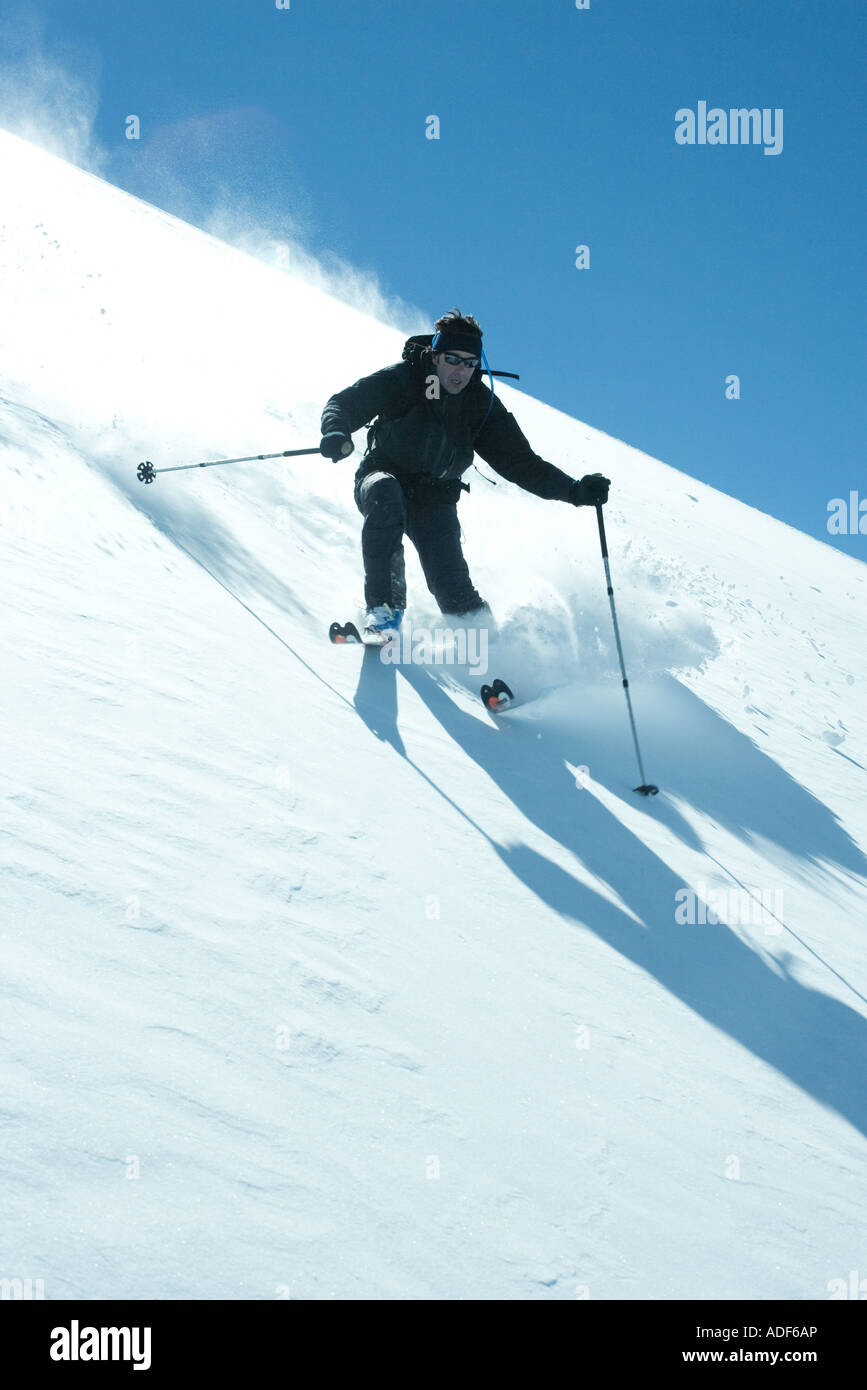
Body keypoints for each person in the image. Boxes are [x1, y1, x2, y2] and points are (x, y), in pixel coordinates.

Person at [320, 308, 610, 636]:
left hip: (435, 497)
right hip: (383, 476)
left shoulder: (479, 405)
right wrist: (336, 431)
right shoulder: (406, 378)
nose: (461, 371)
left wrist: (574, 490)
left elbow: (522, 464)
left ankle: (493, 651)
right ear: (435, 356)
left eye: (470, 363)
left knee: (452, 587)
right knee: (387, 498)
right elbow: (344, 404)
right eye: (453, 360)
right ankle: (385, 613)